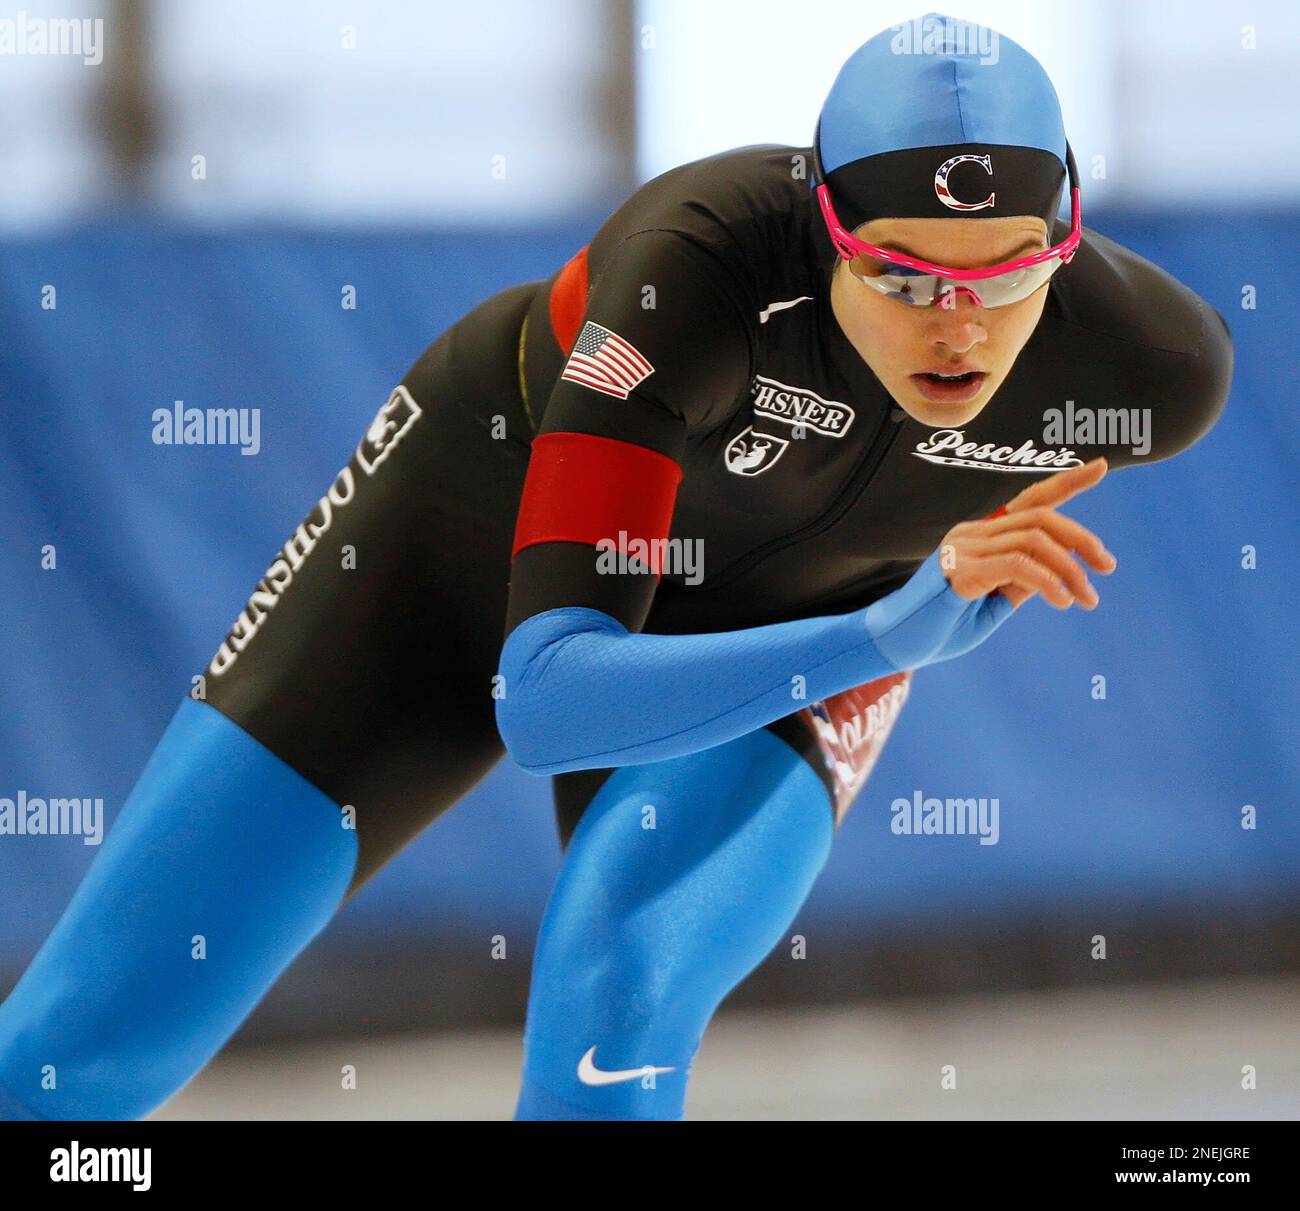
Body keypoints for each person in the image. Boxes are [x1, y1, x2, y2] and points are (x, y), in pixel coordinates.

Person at [0, 13, 1231, 1122]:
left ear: (1066, 243)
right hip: (464, 556)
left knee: (621, 982)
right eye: (901, 273)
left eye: (1005, 270)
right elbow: (548, 698)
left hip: (811, 632)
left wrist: (889, 628)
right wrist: (888, 638)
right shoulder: (692, 269)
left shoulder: (1151, 372)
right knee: (74, 1052)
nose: (956, 324)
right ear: (824, 234)